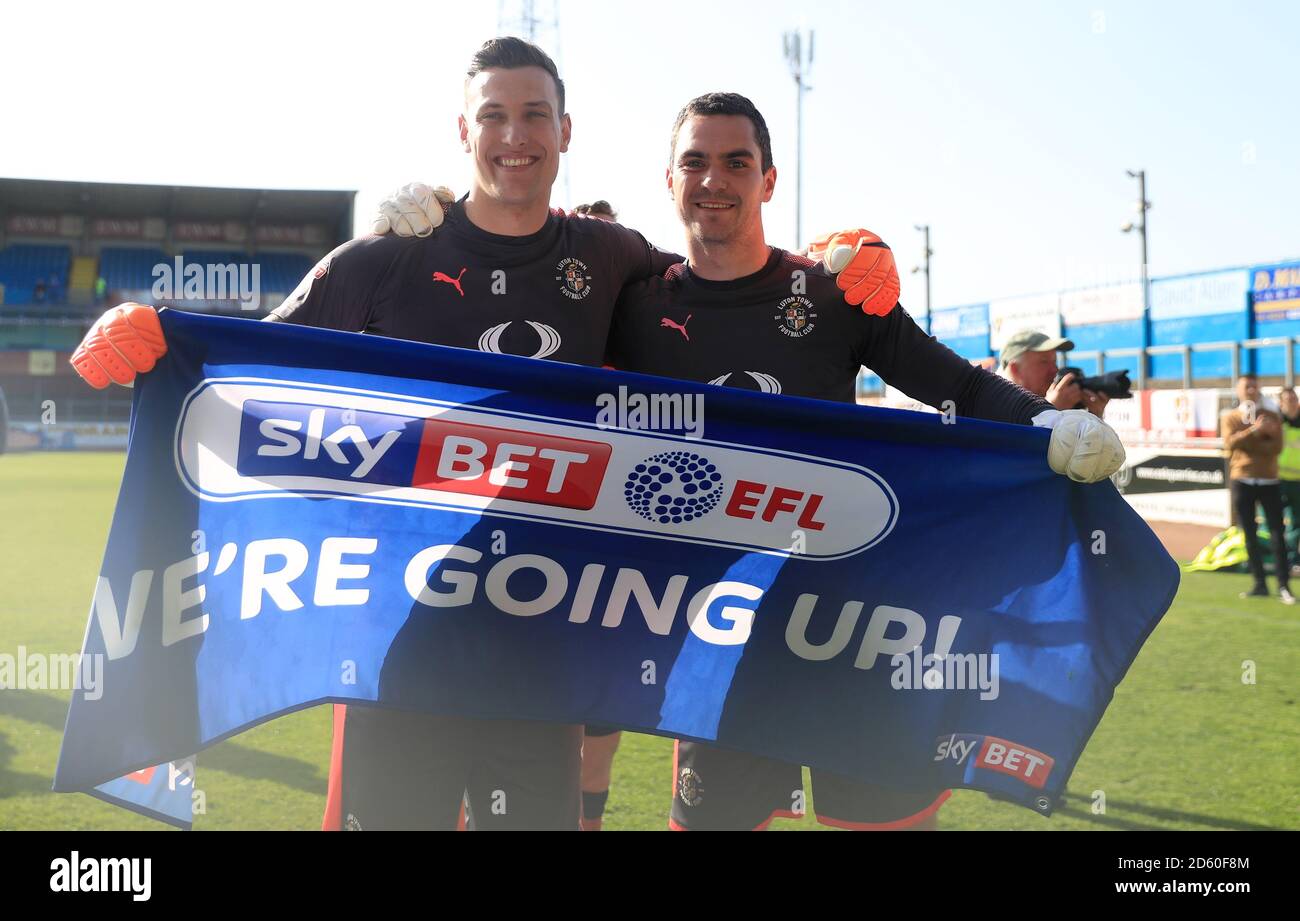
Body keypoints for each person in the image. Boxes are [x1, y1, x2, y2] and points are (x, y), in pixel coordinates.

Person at [67, 37, 903, 830]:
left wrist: (832, 262)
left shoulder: (609, 257)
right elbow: (252, 361)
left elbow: (727, 284)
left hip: (537, 650)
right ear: (463, 131)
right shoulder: (385, 258)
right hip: (395, 637)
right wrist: (159, 336)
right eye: (493, 115)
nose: (515, 135)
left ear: (565, 131)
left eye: (535, 114)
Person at [604, 92, 1125, 830]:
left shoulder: (833, 291)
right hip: (720, 630)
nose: (713, 179)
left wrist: (1047, 421)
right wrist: (422, 236)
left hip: (855, 620)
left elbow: (960, 385)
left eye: (736, 162)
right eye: (695, 161)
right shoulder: (634, 307)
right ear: (668, 178)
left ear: (769, 180)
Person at [1221, 374, 1294, 604]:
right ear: (1239, 390)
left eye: (1254, 385)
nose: (1251, 390)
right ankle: (1259, 583)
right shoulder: (1231, 417)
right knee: (1249, 534)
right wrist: (1254, 432)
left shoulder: (1271, 415)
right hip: (1242, 480)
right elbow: (1229, 444)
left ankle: (1284, 585)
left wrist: (1248, 442)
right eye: (1247, 386)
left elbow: (1276, 447)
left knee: (1277, 533)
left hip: (1269, 481)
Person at [998, 329, 1108, 417]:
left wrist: (1095, 417)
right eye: (1044, 362)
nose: (1055, 370)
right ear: (1014, 369)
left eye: (1055, 361)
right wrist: (1050, 411)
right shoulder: (991, 405)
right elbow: (1019, 442)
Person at [1278, 387, 1300, 575]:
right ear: (1281, 403)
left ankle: (1293, 560)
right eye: (1288, 399)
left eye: (1294, 399)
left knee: (1296, 523)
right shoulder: (1275, 423)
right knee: (1274, 523)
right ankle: (1276, 558)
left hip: (1297, 481)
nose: (1292, 402)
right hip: (1276, 481)